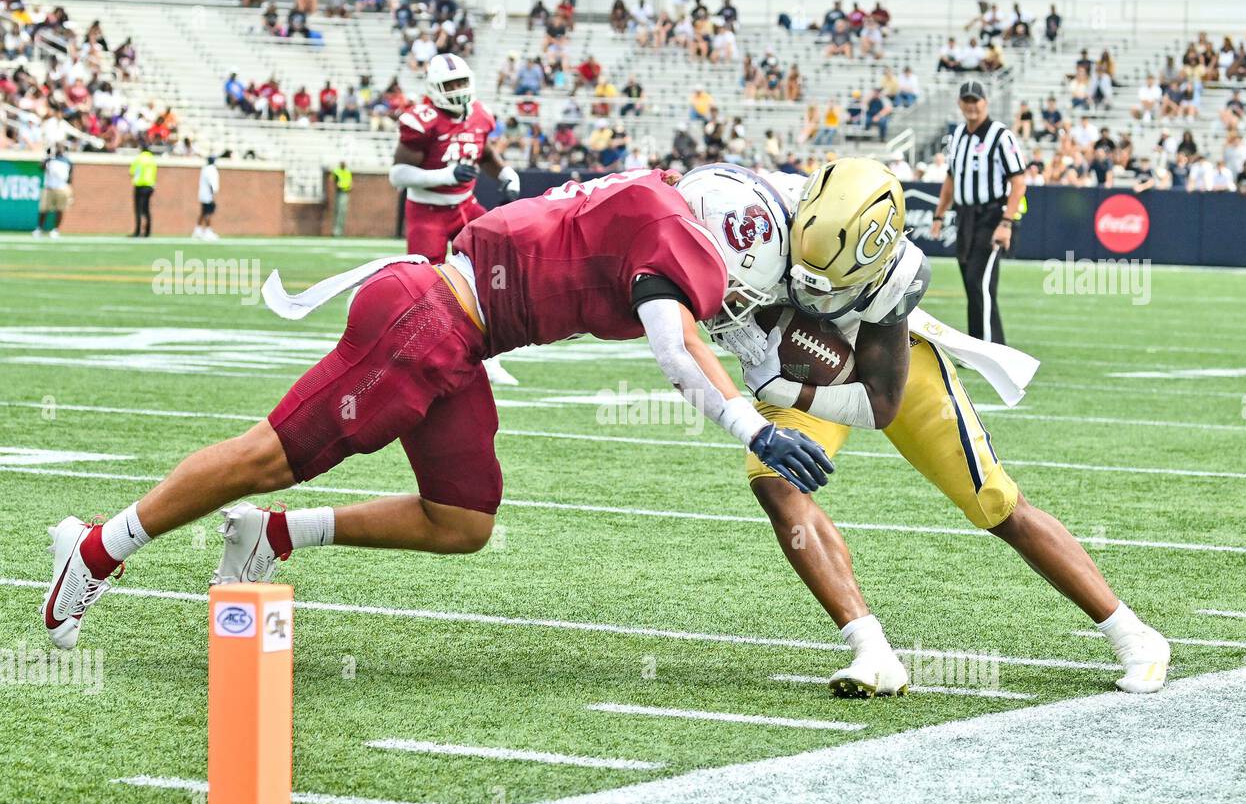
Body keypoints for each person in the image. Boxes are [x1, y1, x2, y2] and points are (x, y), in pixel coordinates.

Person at [41, 168, 834, 652]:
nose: (734, 301)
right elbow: (674, 344)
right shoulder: (677, 241)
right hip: (426, 322)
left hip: (456, 335)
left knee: (462, 520)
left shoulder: (659, 198)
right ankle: (96, 549)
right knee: (269, 455)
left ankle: (273, 533)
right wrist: (749, 424)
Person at [716, 161, 1171, 696]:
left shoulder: (894, 271)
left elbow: (880, 403)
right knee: (776, 481)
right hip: (801, 365)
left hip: (885, 373)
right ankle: (873, 653)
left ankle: (1134, 635)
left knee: (997, 505)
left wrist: (782, 389)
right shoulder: (753, 216)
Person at [389, 55, 522, 387]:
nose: (458, 90)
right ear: (434, 89)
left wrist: (505, 172)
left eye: (462, 82)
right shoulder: (422, 121)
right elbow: (398, 175)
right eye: (450, 85)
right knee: (426, 288)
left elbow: (485, 154)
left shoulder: (479, 114)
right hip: (427, 214)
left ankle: (490, 359)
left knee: (496, 270)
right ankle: (419, 356)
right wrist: (446, 173)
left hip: (466, 206)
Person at [928, 80, 1026, 344]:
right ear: (960, 103)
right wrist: (939, 215)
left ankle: (987, 348)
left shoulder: (1000, 135)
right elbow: (951, 178)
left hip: (992, 215)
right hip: (965, 217)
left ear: (986, 102)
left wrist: (1006, 222)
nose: (971, 106)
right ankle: (981, 344)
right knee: (971, 283)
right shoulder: (958, 135)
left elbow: (1019, 180)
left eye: (976, 100)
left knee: (979, 282)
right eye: (967, 100)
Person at [34, 144, 72, 238]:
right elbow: (41, 167)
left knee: (60, 210)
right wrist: (47, 157)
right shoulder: (50, 159)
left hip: (62, 188)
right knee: (44, 210)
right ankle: (39, 229)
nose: (59, 149)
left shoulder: (67, 161)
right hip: (49, 188)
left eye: (61, 147)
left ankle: (56, 230)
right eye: (57, 147)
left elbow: (70, 177)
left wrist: (70, 188)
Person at [129, 145, 157, 238]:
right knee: (146, 209)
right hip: (150, 186)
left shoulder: (139, 159)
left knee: (138, 210)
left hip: (140, 186)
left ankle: (137, 231)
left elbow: (132, 172)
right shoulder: (152, 159)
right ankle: (147, 232)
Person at [195, 155, 220, 240]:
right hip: (208, 194)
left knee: (203, 212)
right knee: (208, 213)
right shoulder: (211, 169)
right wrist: (212, 194)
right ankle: (208, 231)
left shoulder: (205, 169)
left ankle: (197, 230)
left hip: (203, 193)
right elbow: (211, 183)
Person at [331, 161, 352, 236]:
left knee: (343, 212)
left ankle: (340, 231)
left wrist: (349, 187)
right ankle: (336, 231)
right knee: (338, 211)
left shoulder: (347, 172)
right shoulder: (337, 171)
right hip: (340, 192)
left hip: (345, 193)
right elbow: (334, 179)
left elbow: (350, 182)